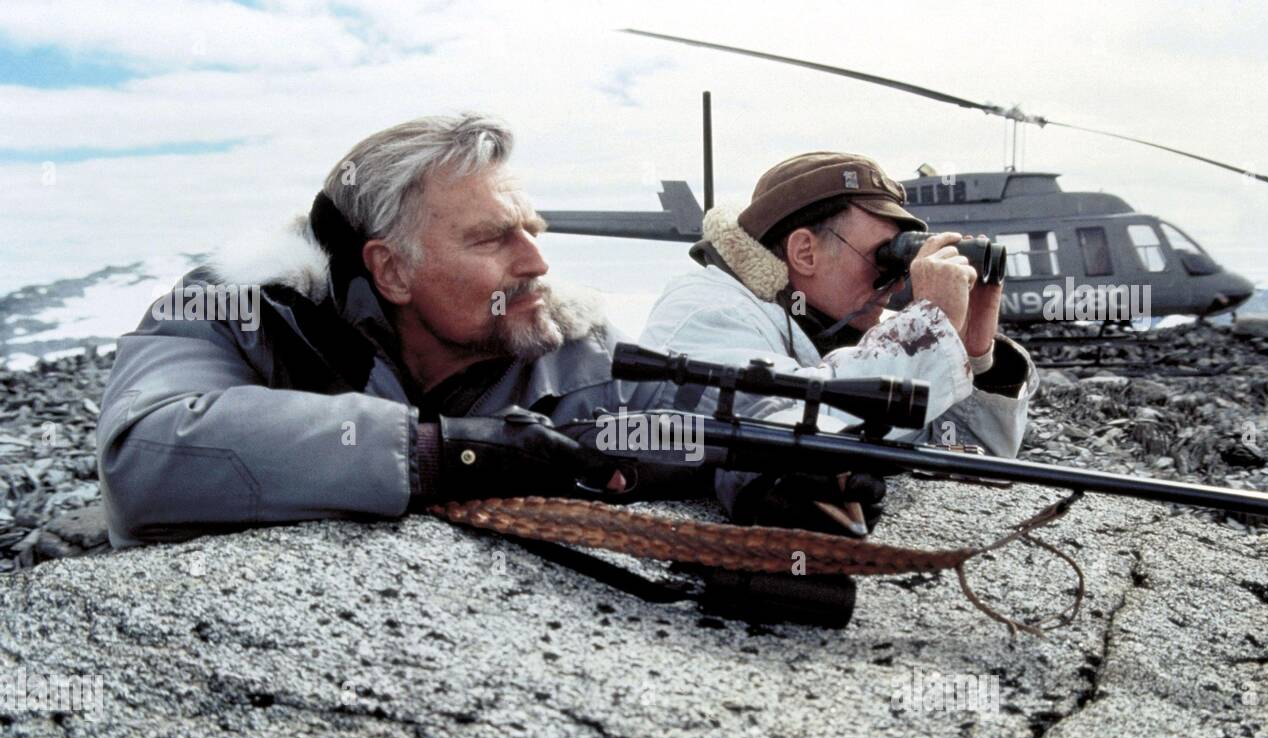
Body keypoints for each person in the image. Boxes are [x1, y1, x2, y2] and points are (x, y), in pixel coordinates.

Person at [97, 113, 712, 548]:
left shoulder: (570, 349)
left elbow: (719, 423)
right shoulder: (240, 316)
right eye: (493, 237)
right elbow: (144, 457)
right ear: (390, 270)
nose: (536, 262)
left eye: (533, 229)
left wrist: (772, 475)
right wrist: (444, 454)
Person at [640, 151, 1039, 528]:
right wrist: (929, 329)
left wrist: (978, 356)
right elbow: (796, 430)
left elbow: (970, 462)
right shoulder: (708, 311)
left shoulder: (840, 325)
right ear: (805, 253)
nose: (897, 279)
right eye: (882, 257)